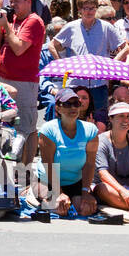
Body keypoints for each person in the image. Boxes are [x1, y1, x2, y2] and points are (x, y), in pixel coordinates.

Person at [0, 0, 46, 165]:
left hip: (24, 82)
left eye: (17, 1)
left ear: (28, 1)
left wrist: (6, 26)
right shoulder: (11, 19)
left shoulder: (34, 21)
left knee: (26, 127)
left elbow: (19, 49)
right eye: (11, 1)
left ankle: (25, 169)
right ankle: (9, 164)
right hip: (3, 78)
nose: (12, 5)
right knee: (7, 124)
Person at [51, 0, 128, 113]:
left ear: (96, 9)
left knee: (99, 118)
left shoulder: (106, 27)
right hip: (76, 83)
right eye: (85, 8)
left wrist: (111, 66)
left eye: (92, 8)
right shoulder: (71, 27)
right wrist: (62, 65)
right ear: (79, 10)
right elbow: (52, 45)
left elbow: (125, 47)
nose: (89, 12)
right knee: (75, 117)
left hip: (99, 83)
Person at [31, 87, 98, 216]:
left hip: (75, 182)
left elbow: (90, 164)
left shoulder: (91, 130)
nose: (73, 108)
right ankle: (33, 191)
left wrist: (85, 192)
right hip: (48, 181)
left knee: (84, 209)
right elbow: (48, 164)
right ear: (58, 108)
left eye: (76, 104)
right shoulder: (48, 130)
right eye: (67, 104)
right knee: (59, 208)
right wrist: (59, 193)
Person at [92, 103, 129, 216]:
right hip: (111, 188)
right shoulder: (100, 142)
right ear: (111, 118)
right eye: (121, 116)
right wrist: (123, 191)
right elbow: (103, 174)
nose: (126, 120)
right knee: (101, 188)